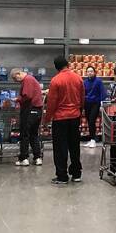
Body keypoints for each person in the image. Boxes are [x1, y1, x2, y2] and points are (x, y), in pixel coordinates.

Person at [43, 54, 84, 184]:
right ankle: (76, 174)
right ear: (67, 64)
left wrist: (47, 119)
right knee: (74, 146)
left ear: (56, 67)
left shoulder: (56, 80)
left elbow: (52, 103)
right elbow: (83, 98)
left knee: (60, 148)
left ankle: (62, 176)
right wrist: (79, 111)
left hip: (60, 118)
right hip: (75, 117)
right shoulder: (78, 78)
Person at [10, 68, 43, 167]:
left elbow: (27, 95)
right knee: (34, 134)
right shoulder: (31, 79)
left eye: (16, 78)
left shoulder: (27, 80)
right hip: (37, 110)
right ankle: (37, 157)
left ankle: (24, 158)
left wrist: (18, 99)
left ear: (18, 73)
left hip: (29, 110)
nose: (16, 81)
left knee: (25, 134)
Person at [82, 65, 104, 147]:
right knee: (89, 121)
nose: (90, 73)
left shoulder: (98, 81)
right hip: (87, 103)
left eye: (91, 71)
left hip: (95, 103)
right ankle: (91, 139)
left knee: (91, 120)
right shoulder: (85, 82)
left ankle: (93, 140)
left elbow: (102, 92)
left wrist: (101, 104)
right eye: (88, 71)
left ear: (94, 72)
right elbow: (83, 93)